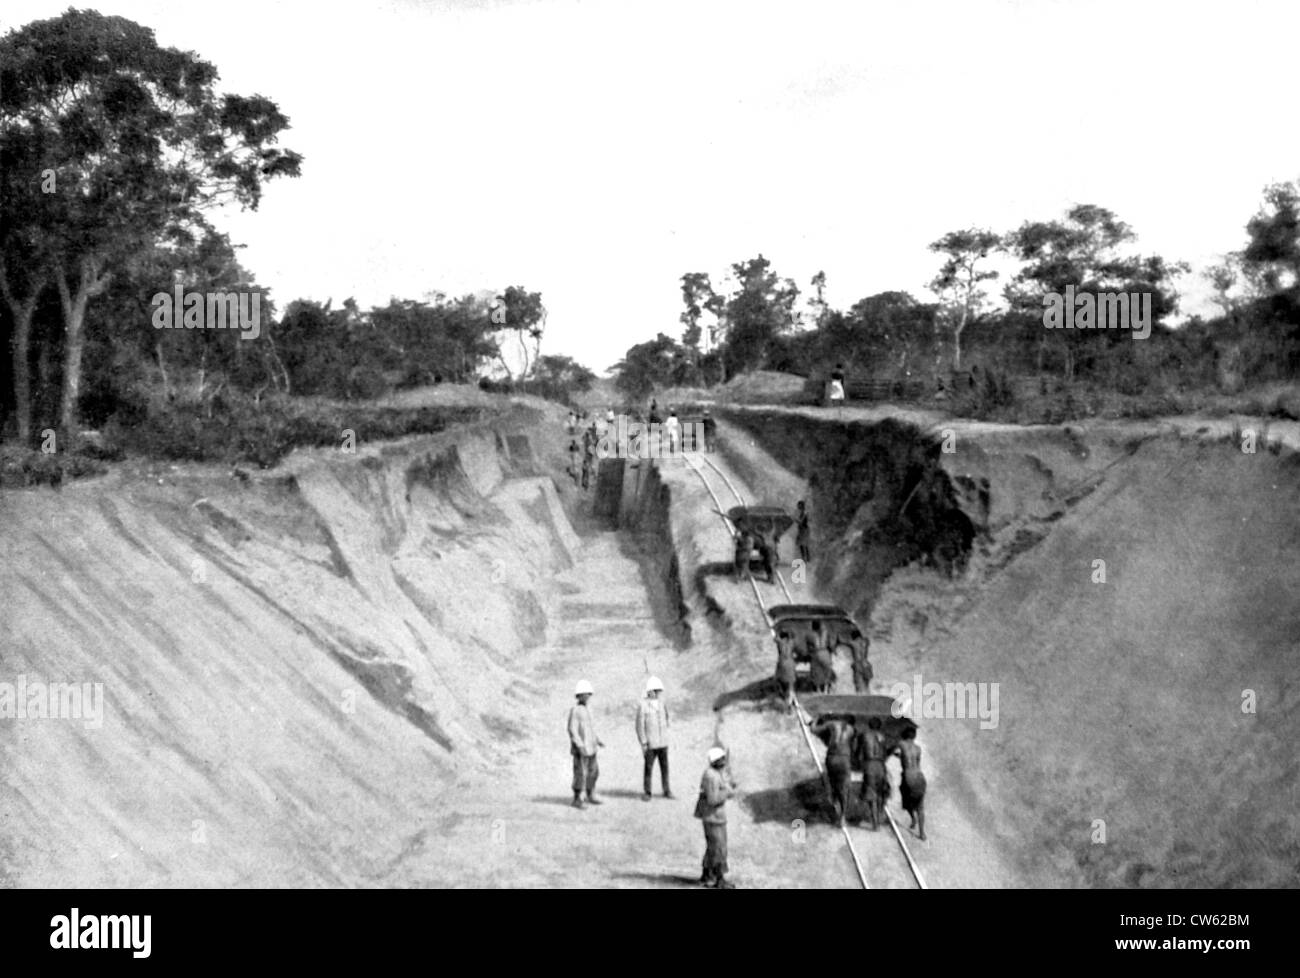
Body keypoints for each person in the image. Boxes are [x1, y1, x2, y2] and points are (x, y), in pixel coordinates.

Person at [695, 746, 737, 888]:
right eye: (722, 759)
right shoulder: (711, 776)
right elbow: (713, 799)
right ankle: (719, 880)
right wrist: (727, 792)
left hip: (713, 817)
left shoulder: (714, 773)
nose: (724, 762)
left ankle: (707, 875)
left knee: (712, 848)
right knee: (719, 848)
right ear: (716, 761)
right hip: (713, 817)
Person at [810, 715, 856, 822]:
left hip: (832, 757)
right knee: (844, 788)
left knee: (833, 784)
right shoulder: (852, 730)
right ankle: (843, 816)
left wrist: (814, 721)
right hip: (844, 759)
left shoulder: (832, 724)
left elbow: (814, 730)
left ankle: (834, 806)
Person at [567, 680, 604, 809]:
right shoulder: (575, 710)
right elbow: (572, 730)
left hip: (591, 748)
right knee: (580, 774)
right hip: (581, 749)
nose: (587, 696)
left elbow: (591, 729)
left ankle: (590, 794)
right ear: (578, 696)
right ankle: (577, 799)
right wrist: (580, 745)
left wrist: (597, 740)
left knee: (593, 772)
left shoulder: (589, 709)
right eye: (584, 694)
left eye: (588, 694)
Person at [636, 676, 673, 800]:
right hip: (650, 744)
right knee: (648, 768)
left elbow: (667, 718)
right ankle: (647, 792)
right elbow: (639, 726)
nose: (657, 693)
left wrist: (666, 733)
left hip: (662, 742)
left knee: (665, 768)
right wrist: (644, 742)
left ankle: (666, 790)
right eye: (655, 691)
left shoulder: (662, 704)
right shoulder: (643, 705)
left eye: (659, 691)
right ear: (649, 691)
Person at [855, 716, 890, 831]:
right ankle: (879, 816)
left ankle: (875, 824)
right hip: (881, 765)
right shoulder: (882, 737)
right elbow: (885, 754)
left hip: (869, 765)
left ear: (869, 725)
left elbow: (859, 754)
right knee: (881, 792)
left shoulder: (864, 735)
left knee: (871, 795)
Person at [894, 726, 927, 840]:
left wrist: (898, 756)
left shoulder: (901, 744)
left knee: (906, 799)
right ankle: (922, 833)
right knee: (920, 806)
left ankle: (913, 818)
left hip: (908, 776)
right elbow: (916, 762)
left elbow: (896, 752)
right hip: (919, 776)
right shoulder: (918, 748)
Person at [774, 629, 797, 713]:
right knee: (790, 685)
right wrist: (789, 634)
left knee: (780, 682)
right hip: (790, 662)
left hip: (782, 662)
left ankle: (784, 701)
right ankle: (790, 703)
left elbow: (775, 638)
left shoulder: (780, 642)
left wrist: (778, 632)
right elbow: (794, 636)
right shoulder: (791, 642)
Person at [807, 621, 834, 693]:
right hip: (825, 652)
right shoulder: (826, 633)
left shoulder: (810, 635)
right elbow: (830, 645)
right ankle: (826, 688)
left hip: (816, 652)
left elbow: (809, 647)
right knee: (827, 670)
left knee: (816, 671)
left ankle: (818, 689)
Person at [846, 626, 872, 693]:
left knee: (858, 685)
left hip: (858, 664)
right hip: (866, 664)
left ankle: (859, 698)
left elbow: (844, 641)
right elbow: (866, 639)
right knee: (866, 685)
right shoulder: (866, 641)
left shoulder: (853, 643)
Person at [795, 500, 811, 564]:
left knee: (802, 544)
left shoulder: (804, 512)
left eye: (799, 505)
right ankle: (806, 559)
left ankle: (805, 559)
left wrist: (794, 519)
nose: (797, 506)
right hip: (803, 530)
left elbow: (801, 522)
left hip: (804, 530)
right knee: (804, 544)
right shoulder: (803, 512)